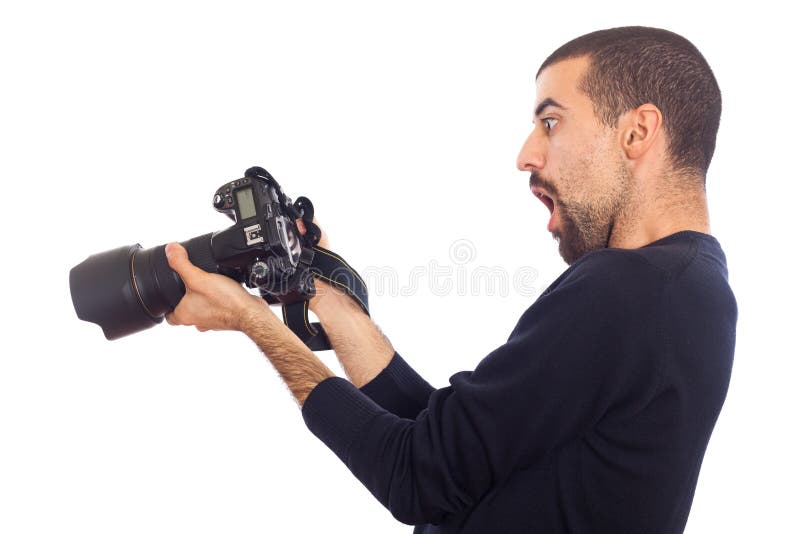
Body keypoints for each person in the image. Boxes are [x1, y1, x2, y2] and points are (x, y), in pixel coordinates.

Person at [163, 26, 737, 533]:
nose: (525, 154)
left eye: (551, 121)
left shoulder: (627, 288)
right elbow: (453, 447)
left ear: (637, 133)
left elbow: (416, 476)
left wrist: (253, 320)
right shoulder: (689, 289)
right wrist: (329, 298)